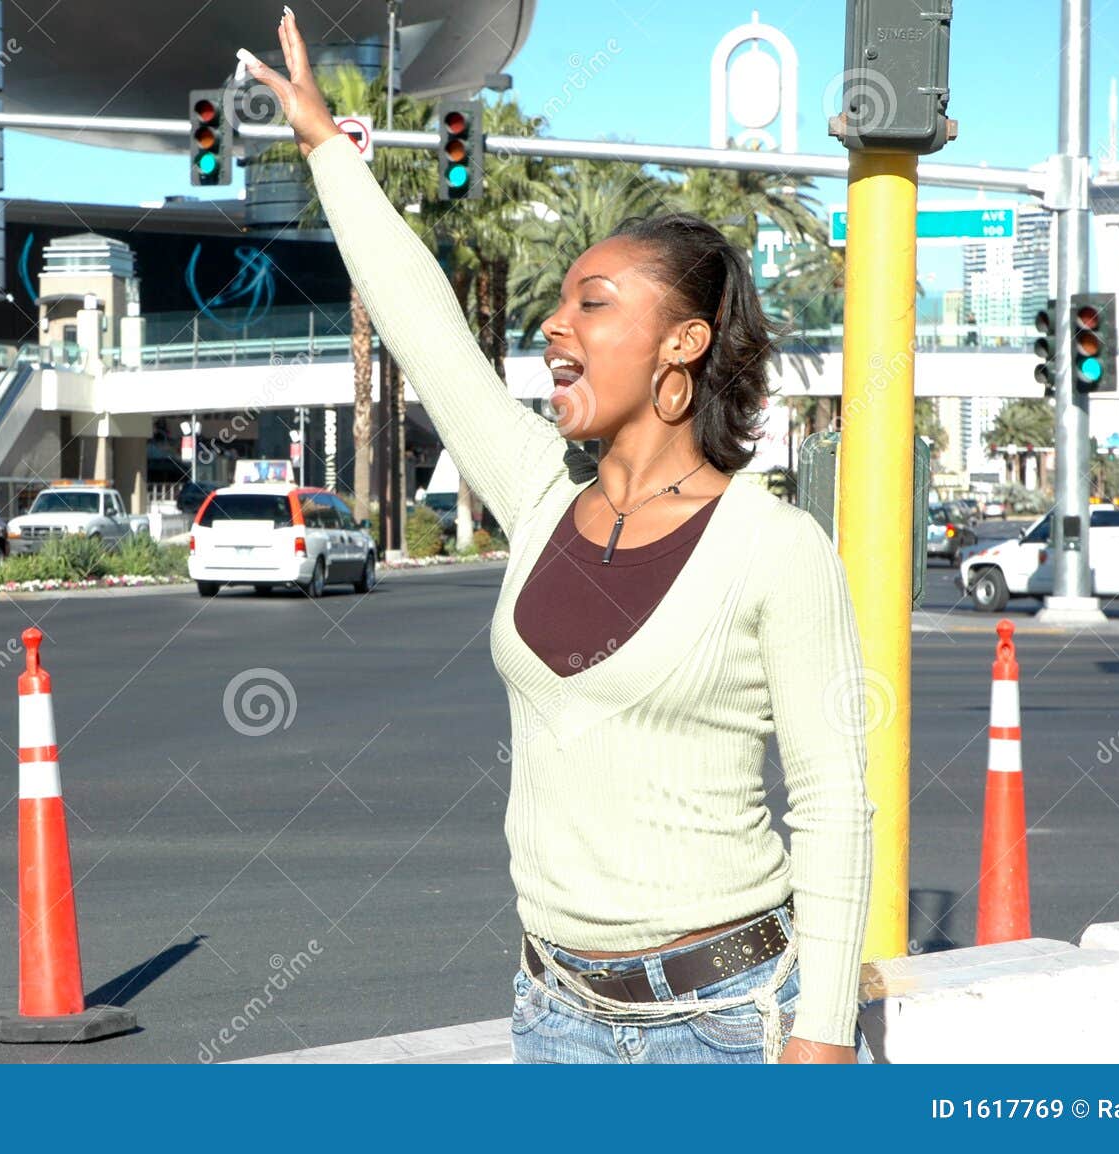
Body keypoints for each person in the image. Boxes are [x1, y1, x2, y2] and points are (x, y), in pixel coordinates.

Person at [243, 10, 876, 1065]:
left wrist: (823, 1041)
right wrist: (325, 147)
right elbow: (429, 333)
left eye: (594, 304)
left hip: (728, 1022)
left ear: (682, 343)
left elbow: (833, 804)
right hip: (555, 1016)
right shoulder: (540, 492)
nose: (554, 323)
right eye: (559, 303)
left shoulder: (774, 547)